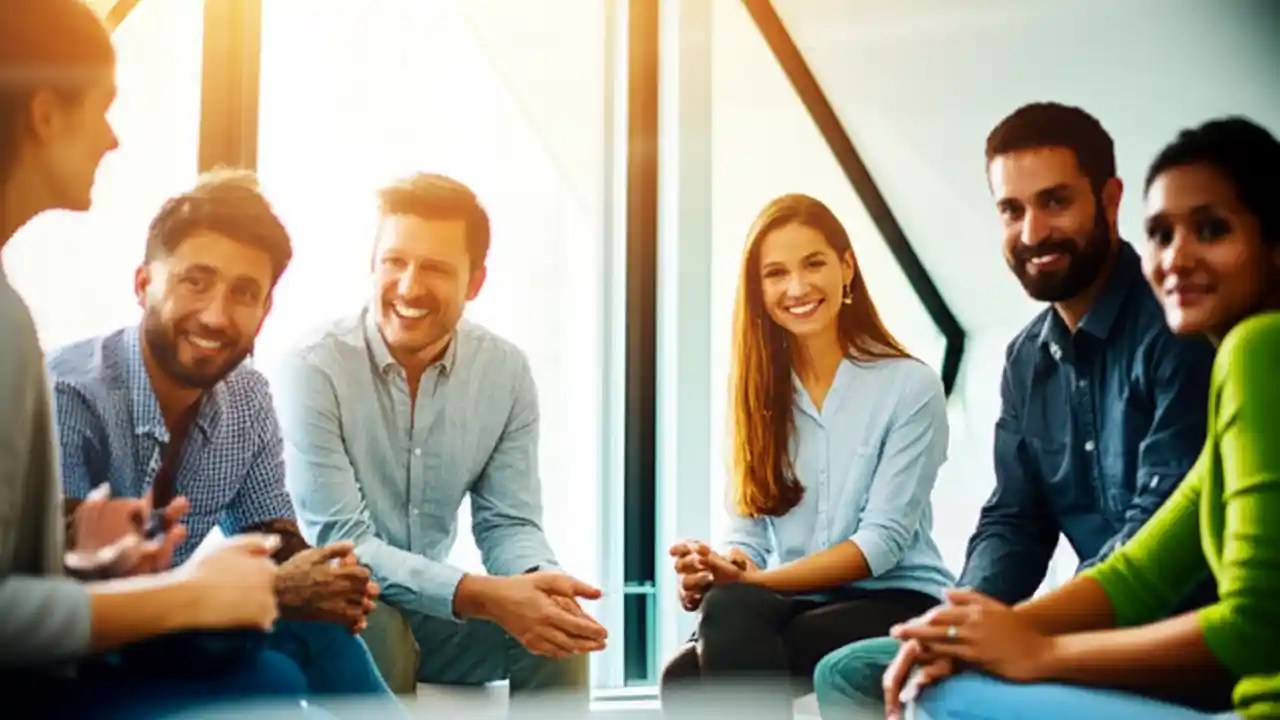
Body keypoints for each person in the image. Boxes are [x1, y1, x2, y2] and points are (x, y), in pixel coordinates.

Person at [813, 102, 1221, 718]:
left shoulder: (1182, 330)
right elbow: (1015, 522)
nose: (1032, 233)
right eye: (1011, 210)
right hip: (1069, 626)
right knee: (850, 671)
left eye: (1055, 202)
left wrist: (1020, 631)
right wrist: (961, 618)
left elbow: (1152, 546)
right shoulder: (1027, 358)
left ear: (1109, 200)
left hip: (1161, 640)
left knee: (925, 686)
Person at [887, 116, 1280, 720]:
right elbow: (1136, 573)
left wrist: (1039, 652)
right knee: (910, 672)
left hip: (1210, 683)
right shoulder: (1238, 358)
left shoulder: (1255, 348)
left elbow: (1254, 625)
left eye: (1211, 230)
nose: (1176, 258)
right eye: (1162, 234)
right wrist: (966, 629)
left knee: (944, 697)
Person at [0, 1, 304, 716]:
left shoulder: (11, 312)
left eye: (244, 293)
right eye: (102, 107)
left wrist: (77, 555)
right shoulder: (39, 355)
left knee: (284, 673)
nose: (111, 138)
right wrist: (184, 597)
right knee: (271, 685)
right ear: (45, 114)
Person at [47, 169, 395, 704]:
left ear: (264, 311)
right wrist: (276, 588)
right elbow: (62, 586)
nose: (216, 316)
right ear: (143, 285)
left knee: (322, 631)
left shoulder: (247, 397)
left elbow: (272, 537)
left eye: (243, 293)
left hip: (167, 632)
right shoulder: (68, 394)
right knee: (274, 680)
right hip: (71, 652)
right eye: (196, 281)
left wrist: (325, 578)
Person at [274, 172, 607, 708]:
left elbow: (508, 522)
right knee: (380, 628)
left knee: (558, 633)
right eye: (394, 261)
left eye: (434, 268)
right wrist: (480, 595)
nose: (409, 287)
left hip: (433, 612)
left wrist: (540, 582)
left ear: (474, 282)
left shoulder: (505, 373)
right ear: (372, 264)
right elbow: (343, 543)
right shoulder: (314, 368)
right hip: (335, 607)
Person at [659, 193, 954, 719]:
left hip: (896, 597)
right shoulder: (755, 397)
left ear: (846, 268)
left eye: (813, 264)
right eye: (776, 273)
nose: (796, 288)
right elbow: (749, 535)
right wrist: (722, 566)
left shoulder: (910, 387)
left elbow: (881, 543)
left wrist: (752, 583)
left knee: (714, 643)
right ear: (758, 290)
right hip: (796, 601)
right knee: (688, 663)